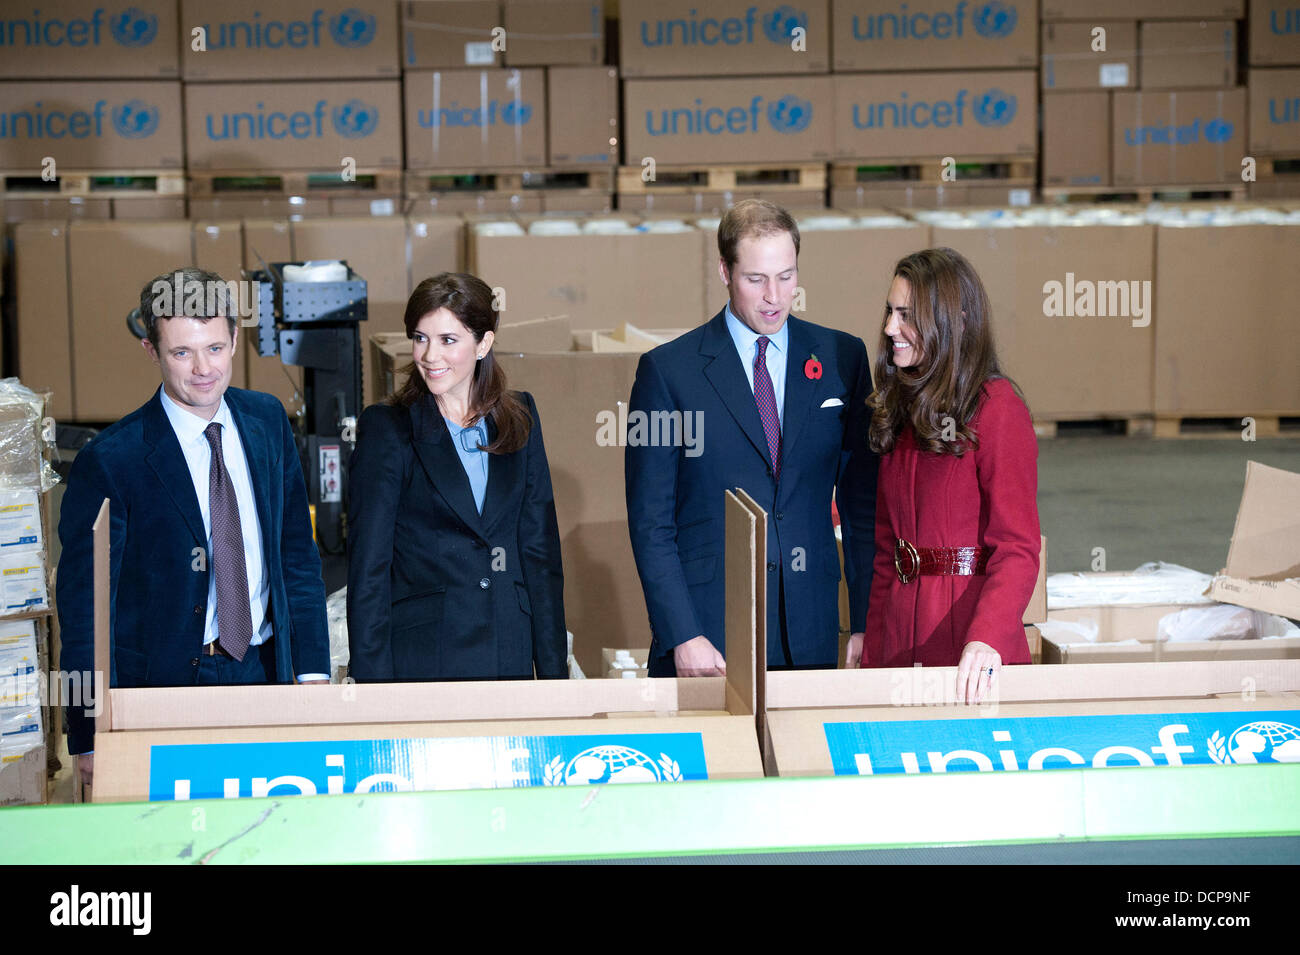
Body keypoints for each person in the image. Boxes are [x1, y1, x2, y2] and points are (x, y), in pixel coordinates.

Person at [57, 267, 330, 789]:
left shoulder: (267, 421)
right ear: (151, 351)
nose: (203, 369)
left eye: (216, 348)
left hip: (266, 668)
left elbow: (297, 554)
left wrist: (313, 669)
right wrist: (88, 733)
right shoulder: (112, 461)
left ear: (234, 340)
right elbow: (86, 609)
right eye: (182, 352)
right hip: (167, 685)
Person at [626, 199, 878, 677]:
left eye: (786, 276)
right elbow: (649, 521)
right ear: (724, 271)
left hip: (809, 628)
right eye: (755, 279)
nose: (774, 297)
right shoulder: (666, 372)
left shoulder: (843, 357)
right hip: (710, 634)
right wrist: (682, 633)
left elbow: (861, 504)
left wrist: (865, 618)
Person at [347, 273, 566, 681]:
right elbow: (369, 570)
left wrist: (555, 677)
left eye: (448, 340)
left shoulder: (520, 417)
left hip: (508, 653)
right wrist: (371, 689)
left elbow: (540, 554)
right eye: (420, 338)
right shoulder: (388, 428)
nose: (430, 356)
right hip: (425, 659)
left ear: (483, 344)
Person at [857, 248, 1040, 704]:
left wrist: (987, 637)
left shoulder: (997, 410)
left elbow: (1018, 548)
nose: (888, 329)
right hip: (899, 639)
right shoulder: (897, 407)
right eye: (890, 311)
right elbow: (886, 550)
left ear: (953, 321)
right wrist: (873, 651)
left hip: (969, 647)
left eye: (906, 316)